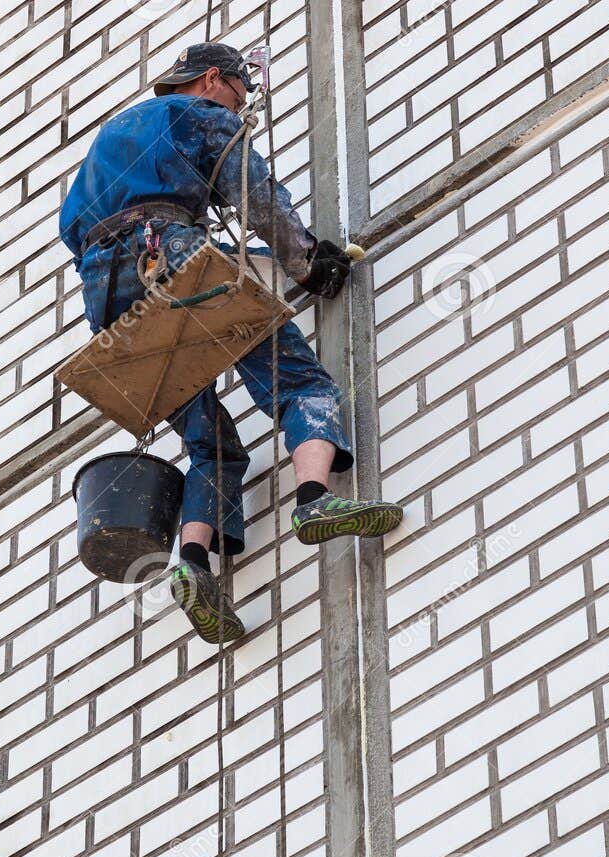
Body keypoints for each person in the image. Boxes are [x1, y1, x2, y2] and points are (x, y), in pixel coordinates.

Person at [58, 40, 402, 644]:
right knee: (300, 383)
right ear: (213, 80)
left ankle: (191, 565)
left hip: (107, 294)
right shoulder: (199, 115)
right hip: (172, 256)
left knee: (212, 446)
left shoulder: (108, 145)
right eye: (240, 97)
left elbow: (80, 232)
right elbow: (256, 195)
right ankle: (316, 499)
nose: (241, 110)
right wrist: (304, 262)